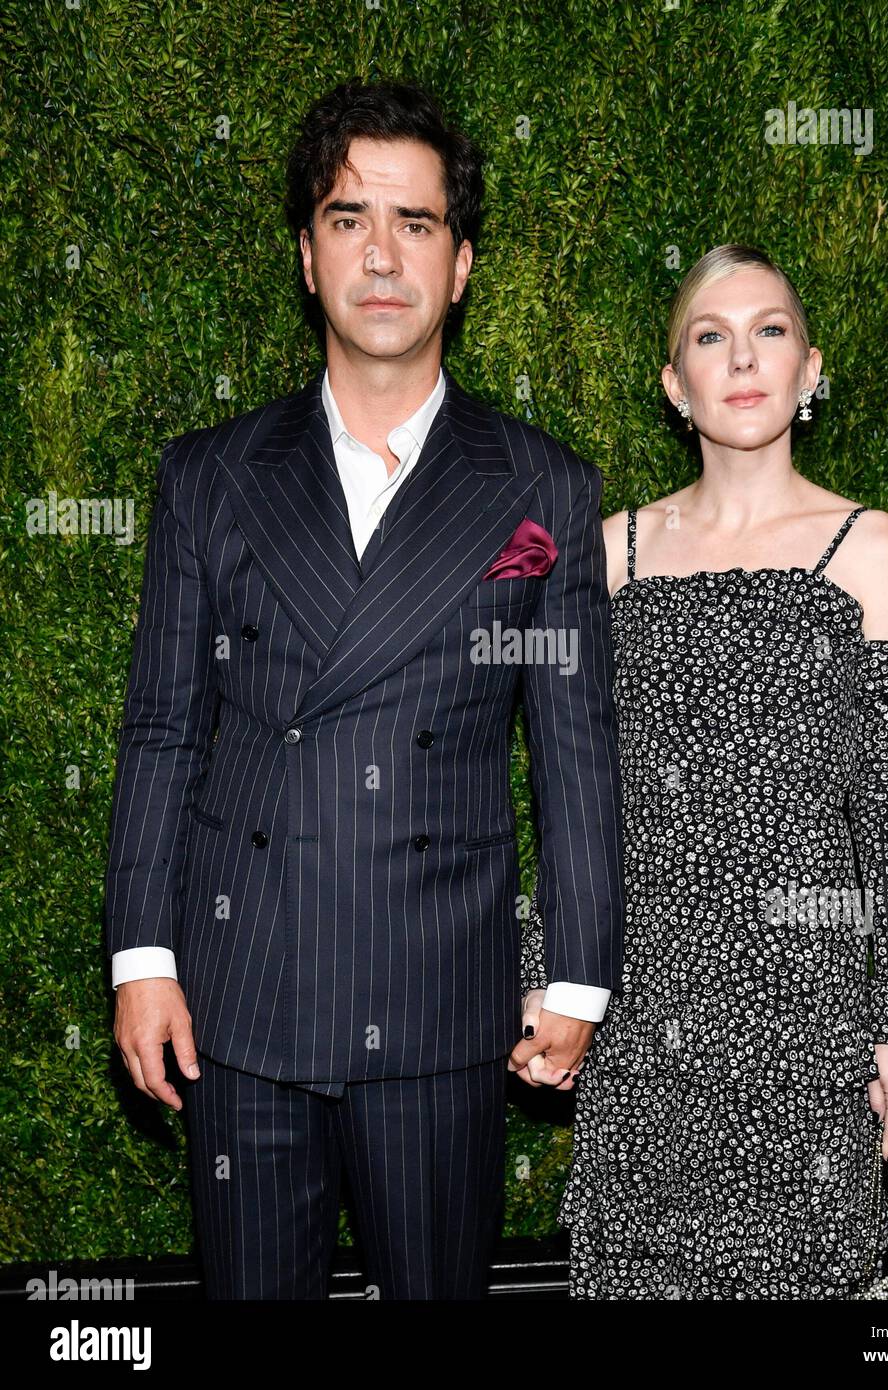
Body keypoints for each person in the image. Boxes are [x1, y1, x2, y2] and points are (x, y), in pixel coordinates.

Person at [105, 77, 625, 1301]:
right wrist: (142, 955)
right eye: (349, 219)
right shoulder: (211, 476)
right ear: (306, 253)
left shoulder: (543, 488)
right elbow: (164, 730)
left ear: (461, 267)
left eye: (417, 224)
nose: (382, 255)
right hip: (244, 1002)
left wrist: (578, 975)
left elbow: (574, 753)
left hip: (444, 1007)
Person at [511, 244, 888, 1299]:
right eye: (710, 336)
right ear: (674, 384)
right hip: (640, 1009)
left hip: (807, 1014)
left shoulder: (873, 549)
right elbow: (569, 799)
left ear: (809, 369)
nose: (741, 358)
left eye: (770, 332)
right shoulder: (602, 552)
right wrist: (542, 969)